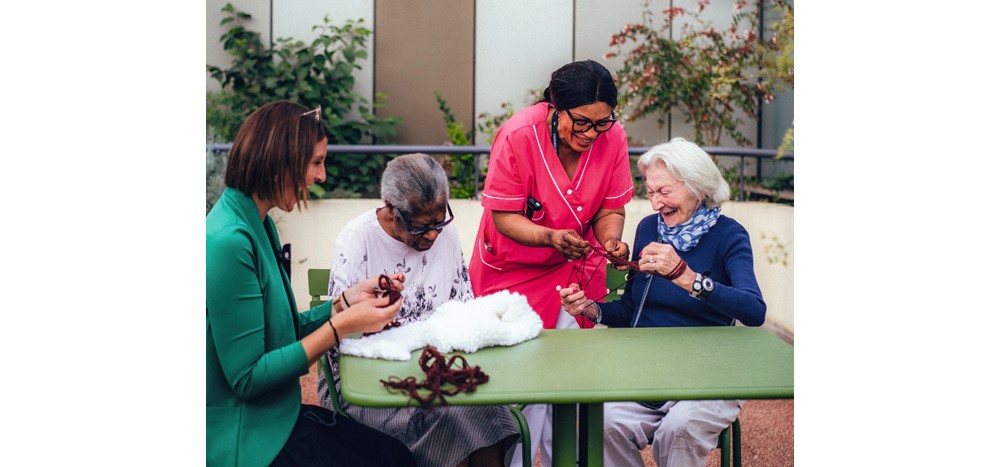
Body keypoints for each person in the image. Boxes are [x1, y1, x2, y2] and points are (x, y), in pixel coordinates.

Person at [206, 101, 416, 467]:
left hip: (276, 420)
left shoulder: (257, 221)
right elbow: (248, 378)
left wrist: (346, 303)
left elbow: (280, 331)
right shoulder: (229, 241)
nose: (321, 176)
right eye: (316, 162)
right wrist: (341, 328)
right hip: (248, 442)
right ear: (280, 163)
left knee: (395, 456)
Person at [559, 137, 767, 467]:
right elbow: (632, 309)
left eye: (665, 191)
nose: (655, 203)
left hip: (709, 376)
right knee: (602, 423)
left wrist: (687, 276)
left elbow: (754, 310)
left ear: (698, 188)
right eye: (650, 191)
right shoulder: (648, 229)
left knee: (678, 429)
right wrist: (590, 308)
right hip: (648, 372)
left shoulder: (730, 235)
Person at [469, 59, 634, 466]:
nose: (591, 134)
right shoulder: (518, 135)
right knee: (520, 390)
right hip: (512, 274)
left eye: (602, 123)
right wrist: (550, 237)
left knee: (578, 379)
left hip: (575, 271)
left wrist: (611, 239)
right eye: (581, 122)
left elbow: (611, 208)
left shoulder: (613, 139)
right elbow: (504, 216)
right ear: (555, 106)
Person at [319, 153, 520, 467]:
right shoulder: (357, 239)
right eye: (420, 227)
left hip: (437, 373)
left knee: (490, 410)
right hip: (368, 383)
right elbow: (340, 340)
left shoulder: (445, 234)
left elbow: (462, 312)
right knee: (451, 416)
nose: (432, 235)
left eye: (439, 223)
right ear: (390, 208)